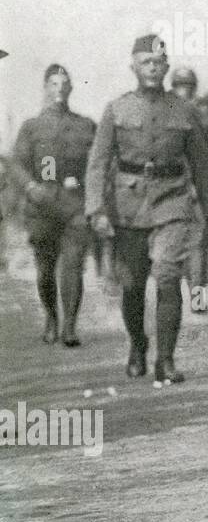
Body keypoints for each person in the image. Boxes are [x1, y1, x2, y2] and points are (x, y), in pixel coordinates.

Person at [85, 34, 208, 383]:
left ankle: (167, 358)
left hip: (172, 200)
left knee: (168, 276)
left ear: (166, 67)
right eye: (146, 62)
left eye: (159, 62)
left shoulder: (185, 111)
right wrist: (96, 209)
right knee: (132, 285)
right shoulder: (117, 109)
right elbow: (98, 162)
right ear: (133, 66)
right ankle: (137, 345)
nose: (153, 68)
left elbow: (202, 166)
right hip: (128, 205)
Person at [11, 64, 97, 346]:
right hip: (42, 206)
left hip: (74, 205)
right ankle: (51, 316)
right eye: (53, 84)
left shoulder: (85, 126)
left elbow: (97, 163)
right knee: (45, 269)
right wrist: (31, 187)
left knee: (72, 265)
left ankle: (70, 326)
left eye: (64, 84)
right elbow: (18, 165)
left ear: (71, 88)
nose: (59, 89)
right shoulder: (31, 127)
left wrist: (87, 189)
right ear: (45, 88)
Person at [169, 65, 208, 313]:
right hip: (180, 188)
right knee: (185, 248)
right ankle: (185, 299)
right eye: (181, 87)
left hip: (188, 187)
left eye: (186, 87)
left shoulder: (197, 117)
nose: (184, 92)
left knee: (195, 248)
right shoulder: (198, 115)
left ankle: (194, 298)